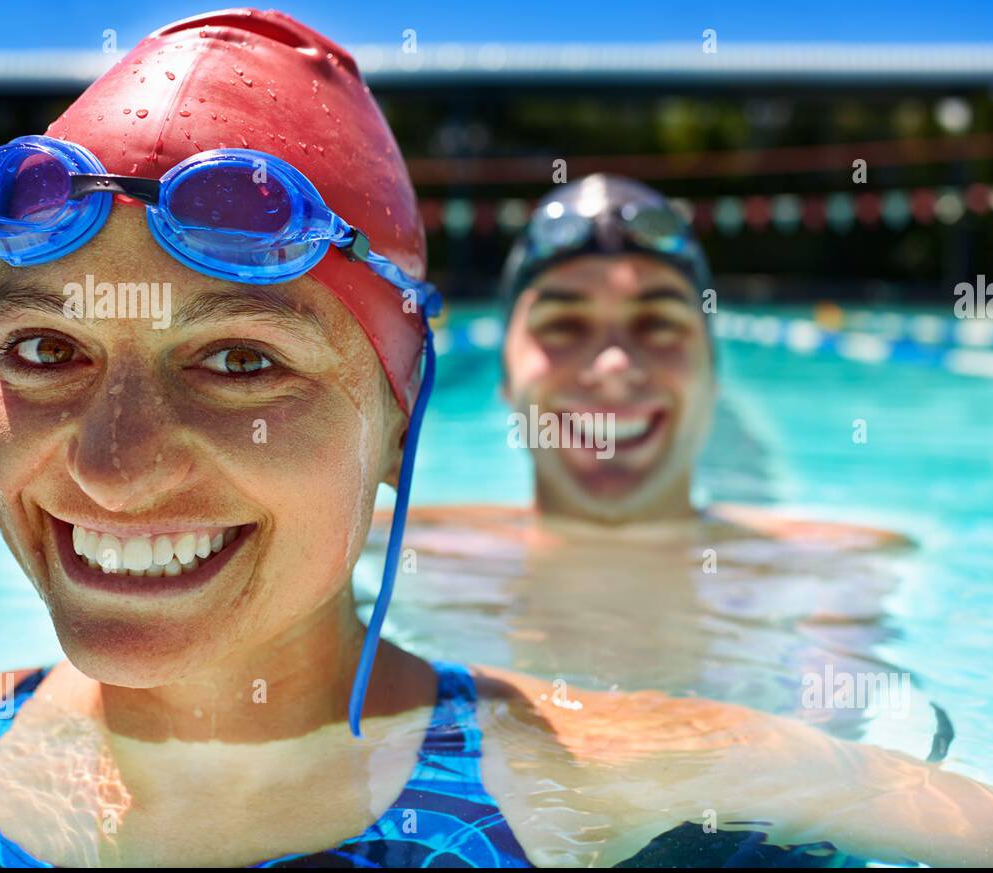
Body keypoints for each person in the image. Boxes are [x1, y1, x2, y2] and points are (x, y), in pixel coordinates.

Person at [0, 10, 993, 869]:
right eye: (44, 351)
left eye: (241, 360)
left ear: (402, 428)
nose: (110, 463)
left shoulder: (593, 763)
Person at [378, 175, 927, 742]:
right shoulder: (392, 551)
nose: (615, 365)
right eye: (564, 325)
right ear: (505, 381)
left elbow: (832, 761)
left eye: (659, 323)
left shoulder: (831, 567)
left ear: (713, 377)